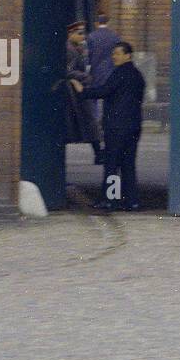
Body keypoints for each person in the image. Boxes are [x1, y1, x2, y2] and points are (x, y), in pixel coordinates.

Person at [74, 42, 145, 211]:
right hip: (133, 126)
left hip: (116, 127)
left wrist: (82, 91)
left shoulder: (120, 73)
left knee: (112, 164)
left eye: (118, 53)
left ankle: (110, 200)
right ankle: (132, 202)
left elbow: (104, 91)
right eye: (113, 53)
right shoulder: (138, 75)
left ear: (128, 55)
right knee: (128, 164)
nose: (114, 56)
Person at [62, 20, 102, 164]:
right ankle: (98, 153)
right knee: (89, 121)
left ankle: (98, 153)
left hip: (78, 90)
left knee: (86, 123)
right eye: (79, 34)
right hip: (76, 92)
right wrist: (84, 76)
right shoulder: (70, 50)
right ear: (70, 34)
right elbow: (68, 71)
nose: (82, 37)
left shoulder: (75, 48)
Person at [85, 13, 121, 133]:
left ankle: (95, 123)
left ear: (96, 23)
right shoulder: (115, 37)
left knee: (95, 96)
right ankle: (107, 121)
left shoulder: (91, 36)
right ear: (108, 22)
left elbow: (88, 56)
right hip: (111, 70)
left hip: (96, 71)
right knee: (109, 96)